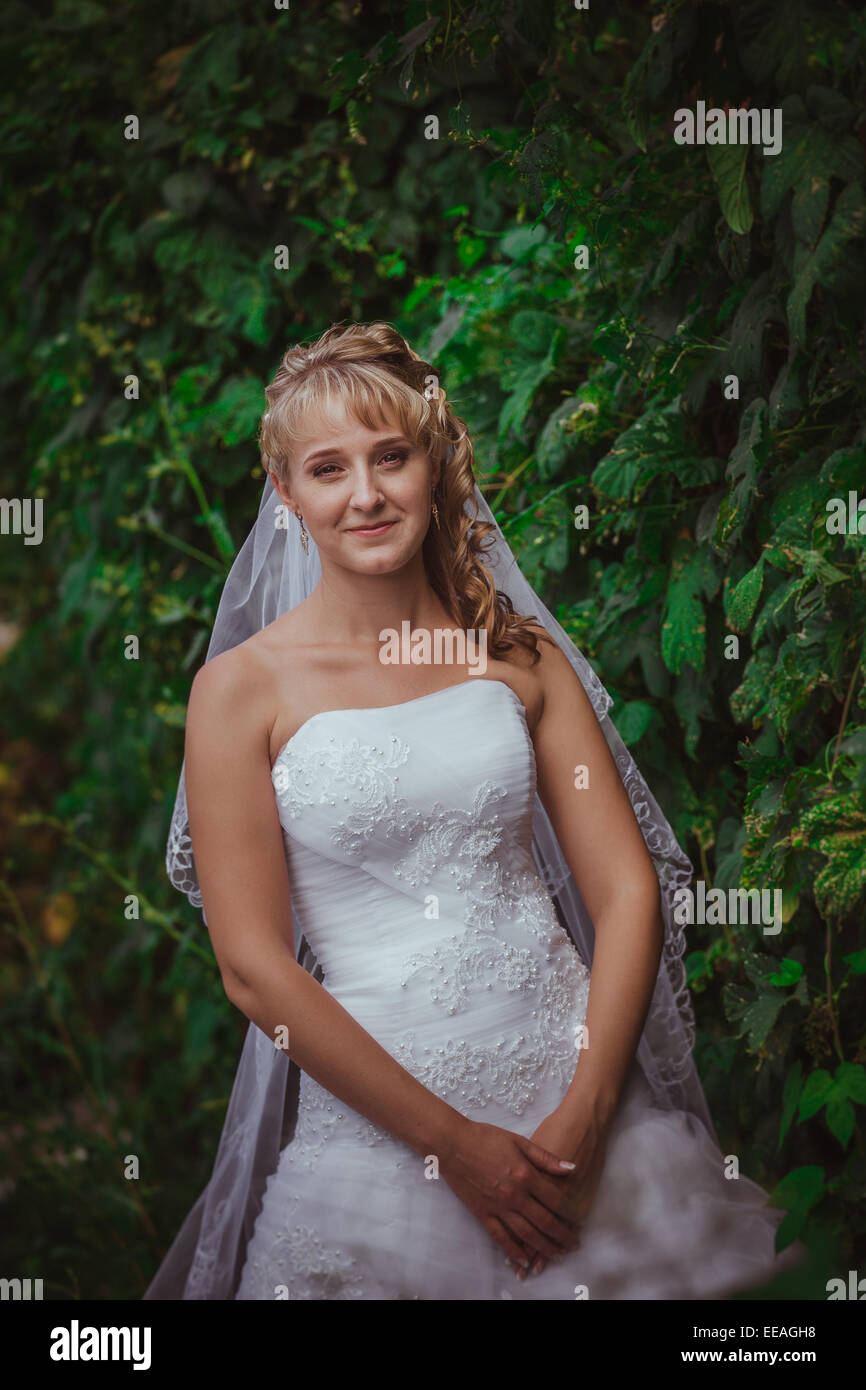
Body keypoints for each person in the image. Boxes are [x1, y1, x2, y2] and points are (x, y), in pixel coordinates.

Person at [144, 322, 801, 1300]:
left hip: (580, 1124)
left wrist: (586, 1112)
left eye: (390, 457)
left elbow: (624, 889)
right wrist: (452, 1148)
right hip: (376, 1150)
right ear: (285, 494)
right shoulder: (239, 692)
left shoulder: (517, 656)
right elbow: (253, 970)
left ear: (432, 461)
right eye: (327, 469)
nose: (364, 494)